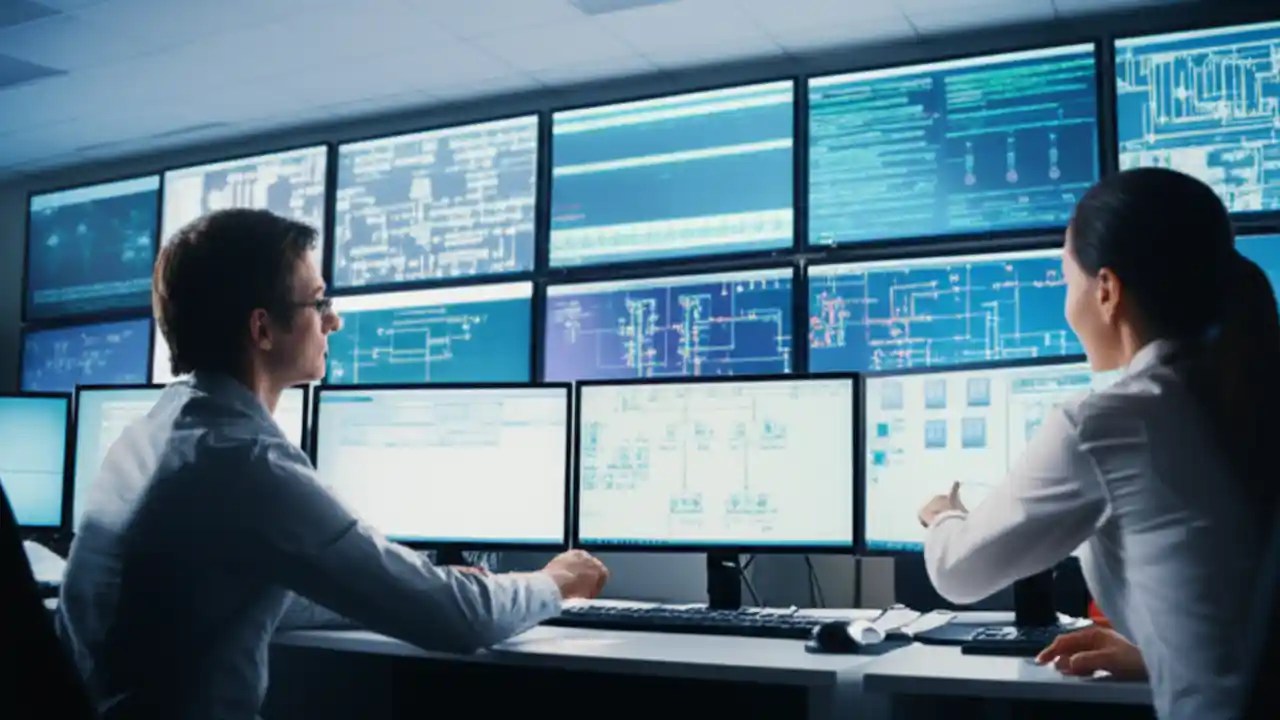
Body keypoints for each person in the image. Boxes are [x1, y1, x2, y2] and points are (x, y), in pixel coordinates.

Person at [55, 208, 610, 720]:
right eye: (318, 304)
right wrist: (555, 581)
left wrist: (390, 587)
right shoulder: (244, 462)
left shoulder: (155, 432)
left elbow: (246, 591)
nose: (334, 322)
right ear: (262, 329)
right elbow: (457, 620)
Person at [916, 168, 1280, 720]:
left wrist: (943, 517)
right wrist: (1158, 653)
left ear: (1106, 290)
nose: (1067, 305)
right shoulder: (1250, 389)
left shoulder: (1110, 422)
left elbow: (958, 572)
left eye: (1068, 282)